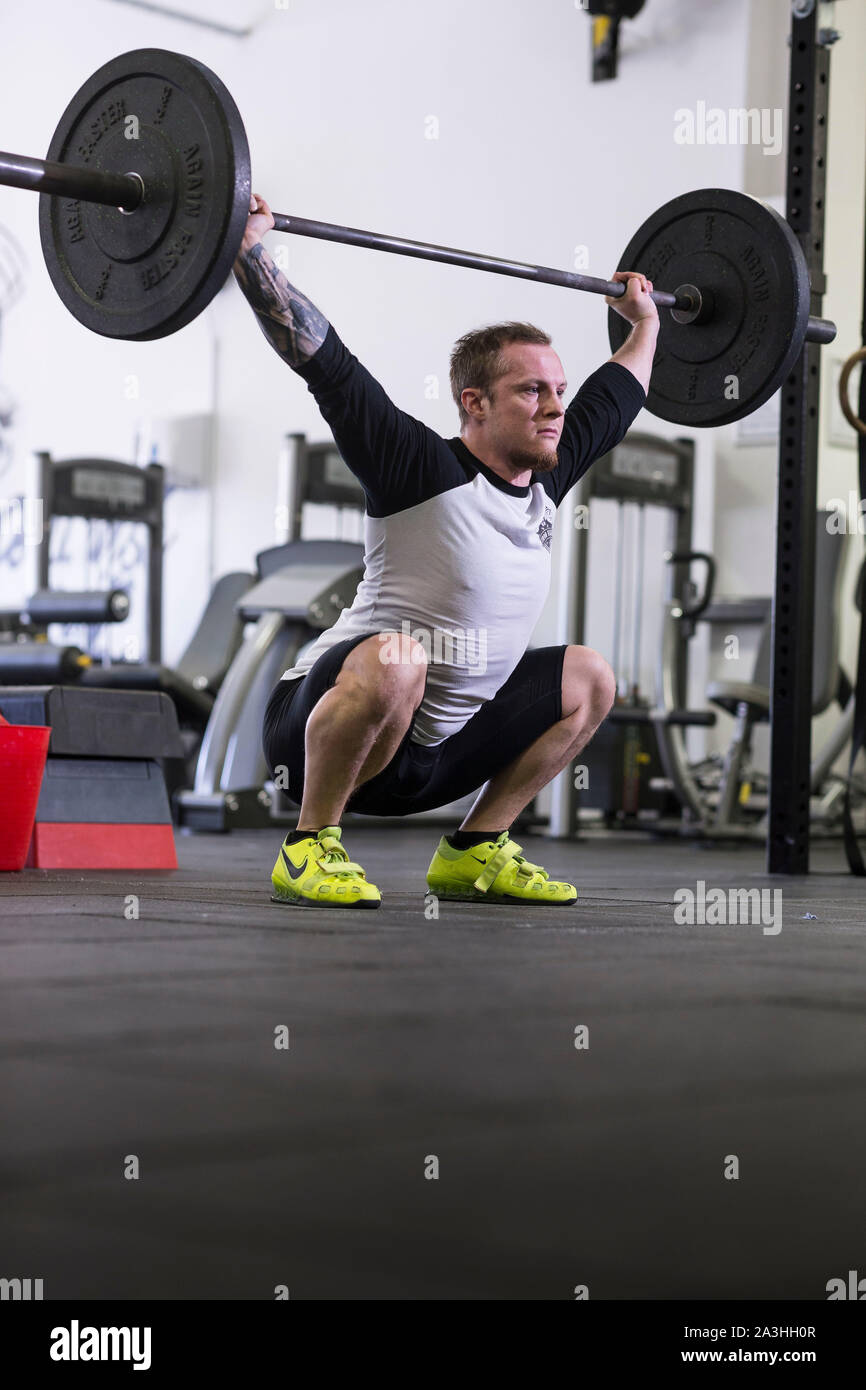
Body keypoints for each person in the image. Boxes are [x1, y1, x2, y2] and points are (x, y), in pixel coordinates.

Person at [233, 194, 657, 909]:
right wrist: (248, 252)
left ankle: (474, 848)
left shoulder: (544, 483)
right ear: (475, 403)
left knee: (589, 676)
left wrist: (646, 322)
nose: (556, 406)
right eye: (532, 390)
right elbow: (323, 361)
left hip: (430, 757)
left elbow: (619, 392)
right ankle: (308, 847)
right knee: (402, 657)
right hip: (319, 728)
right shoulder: (417, 467)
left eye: (558, 390)